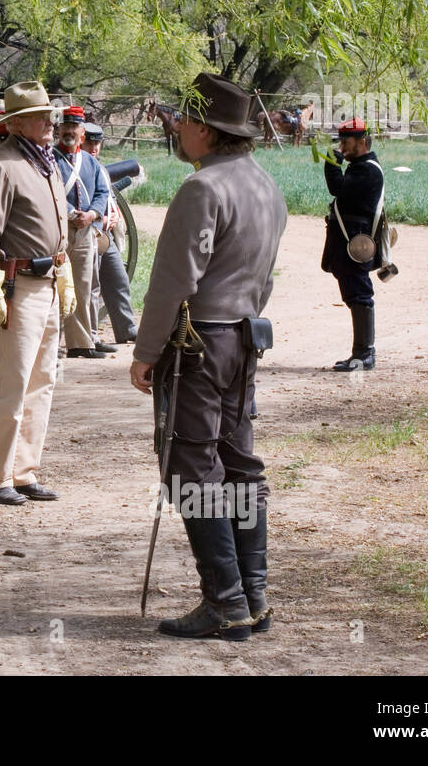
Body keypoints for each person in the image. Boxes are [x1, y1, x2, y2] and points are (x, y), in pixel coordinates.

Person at [128, 72, 286, 640]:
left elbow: (173, 282)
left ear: (203, 128)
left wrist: (146, 351)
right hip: (244, 337)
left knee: (193, 470)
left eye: (182, 121)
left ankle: (225, 603)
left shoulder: (202, 189)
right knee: (239, 465)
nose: (176, 129)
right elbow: (263, 280)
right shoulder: (266, 185)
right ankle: (253, 595)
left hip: (198, 345)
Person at [0, 82, 74, 505]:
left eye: (49, 115)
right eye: (38, 116)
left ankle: (24, 471)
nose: (48, 123)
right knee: (11, 386)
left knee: (42, 383)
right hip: (17, 287)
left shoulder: (45, 163)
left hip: (48, 282)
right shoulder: (3, 166)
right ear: (15, 124)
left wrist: (64, 269)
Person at [321, 118, 383, 371]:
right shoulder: (360, 166)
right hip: (349, 237)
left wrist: (331, 161)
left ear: (362, 141)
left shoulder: (367, 169)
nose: (342, 146)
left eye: (346, 141)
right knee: (353, 293)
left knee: (360, 294)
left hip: (355, 239)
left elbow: (337, 188)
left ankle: (364, 354)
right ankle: (361, 353)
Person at [53, 106, 112, 358]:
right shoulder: (50, 158)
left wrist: (93, 214)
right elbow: (51, 190)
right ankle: (53, 344)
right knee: (57, 286)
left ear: (82, 133)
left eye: (74, 127)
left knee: (83, 287)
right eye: (65, 126)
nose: (69, 131)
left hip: (87, 229)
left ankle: (80, 343)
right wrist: (70, 213)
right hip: (60, 228)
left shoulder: (90, 162)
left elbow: (102, 193)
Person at [81, 123, 138, 344]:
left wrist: (112, 217)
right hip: (85, 233)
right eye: (89, 142)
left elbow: (107, 196)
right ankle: (89, 337)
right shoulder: (72, 167)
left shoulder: (100, 169)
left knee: (119, 280)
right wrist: (100, 217)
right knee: (89, 288)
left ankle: (127, 329)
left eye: (97, 143)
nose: (94, 147)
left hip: (105, 236)